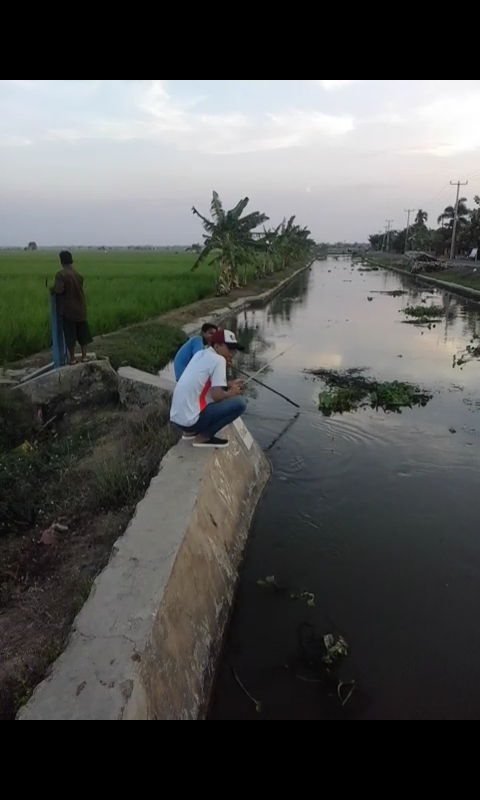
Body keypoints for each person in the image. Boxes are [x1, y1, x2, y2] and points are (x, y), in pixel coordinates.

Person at [170, 329, 246, 449]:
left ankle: (190, 433)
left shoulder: (200, 354)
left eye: (234, 350)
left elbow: (206, 382)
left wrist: (229, 384)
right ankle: (203, 437)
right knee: (240, 403)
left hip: (178, 420)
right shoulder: (219, 360)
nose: (232, 353)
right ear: (217, 346)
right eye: (230, 348)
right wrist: (231, 393)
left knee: (206, 398)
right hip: (191, 422)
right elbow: (217, 396)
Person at [52, 251, 92, 365]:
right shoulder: (78, 275)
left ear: (61, 261)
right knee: (83, 334)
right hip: (81, 308)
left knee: (70, 336)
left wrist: (52, 289)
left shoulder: (60, 275)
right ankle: (84, 357)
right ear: (71, 260)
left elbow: (59, 290)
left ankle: (73, 359)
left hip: (68, 310)